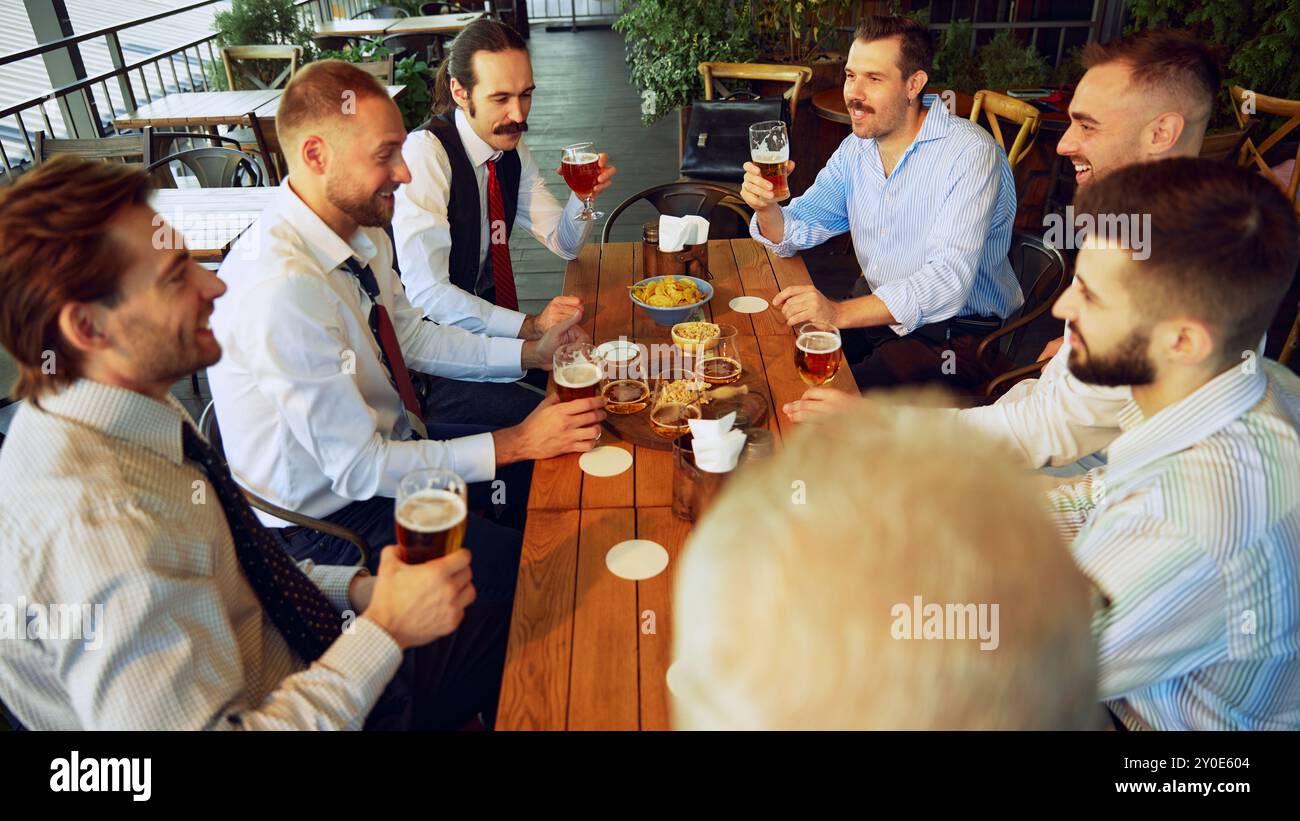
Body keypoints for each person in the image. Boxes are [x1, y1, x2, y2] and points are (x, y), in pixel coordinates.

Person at [0, 157, 506, 730]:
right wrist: (384, 631)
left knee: (504, 611)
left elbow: (235, 570)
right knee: (524, 617)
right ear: (88, 328)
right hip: (300, 698)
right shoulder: (101, 528)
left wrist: (360, 591)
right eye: (174, 276)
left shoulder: (123, 409)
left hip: (302, 651)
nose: (213, 284)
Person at [207, 60, 605, 576]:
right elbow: (359, 469)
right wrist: (519, 441)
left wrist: (532, 352)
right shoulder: (281, 288)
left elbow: (411, 335)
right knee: (538, 570)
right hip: (329, 526)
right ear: (316, 155)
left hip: (398, 441)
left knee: (558, 470)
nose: (405, 172)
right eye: (386, 155)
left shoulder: (359, 228)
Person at [785, 30, 1224, 472]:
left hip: (1061, 475)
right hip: (1033, 424)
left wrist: (881, 425)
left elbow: (1047, 429)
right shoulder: (1139, 224)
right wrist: (1076, 343)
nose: (1063, 143)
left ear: (1162, 131)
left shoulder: (1172, 269)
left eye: (1087, 125)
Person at [1044, 158, 1300, 729]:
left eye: (1089, 296)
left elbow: (1013, 670)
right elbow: (1101, 497)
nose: (1063, 309)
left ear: (1183, 340)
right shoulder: (1239, 388)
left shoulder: (1188, 519)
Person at [671, 398, 1099, 729]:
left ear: (1171, 340)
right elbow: (1078, 497)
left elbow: (1044, 658)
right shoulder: (1134, 465)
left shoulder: (1160, 513)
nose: (1063, 309)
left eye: (1090, 295)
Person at [742, 14, 1022, 391]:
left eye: (874, 79)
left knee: (831, 406)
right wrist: (767, 208)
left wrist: (838, 312)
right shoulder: (856, 150)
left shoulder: (970, 153)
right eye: (851, 75)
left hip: (954, 338)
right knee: (780, 359)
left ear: (914, 84)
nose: (854, 93)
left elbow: (948, 281)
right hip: (877, 313)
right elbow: (796, 229)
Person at [391, 18, 617, 425]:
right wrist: (529, 327)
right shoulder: (426, 156)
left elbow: (565, 243)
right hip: (430, 362)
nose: (518, 114)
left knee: (602, 383)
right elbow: (428, 296)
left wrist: (583, 196)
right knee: (577, 418)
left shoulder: (508, 146)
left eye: (526, 95)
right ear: (460, 92)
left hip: (492, 334)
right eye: (500, 98)